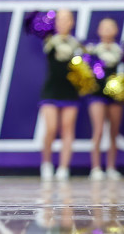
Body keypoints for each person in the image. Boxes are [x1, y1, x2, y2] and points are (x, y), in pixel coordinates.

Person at [36, 10, 82, 182]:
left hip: (69, 91)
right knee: (51, 128)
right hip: (51, 90)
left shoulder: (77, 45)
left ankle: (64, 167)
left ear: (72, 22)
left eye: (67, 19)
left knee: (67, 129)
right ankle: (46, 164)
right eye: (60, 19)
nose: (63, 22)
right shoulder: (50, 41)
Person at [86, 17, 124, 181]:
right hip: (97, 94)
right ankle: (95, 167)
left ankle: (111, 167)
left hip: (115, 95)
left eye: (111, 27)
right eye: (104, 27)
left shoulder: (121, 51)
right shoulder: (93, 50)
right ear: (99, 30)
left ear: (116, 30)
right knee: (99, 130)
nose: (107, 30)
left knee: (113, 132)